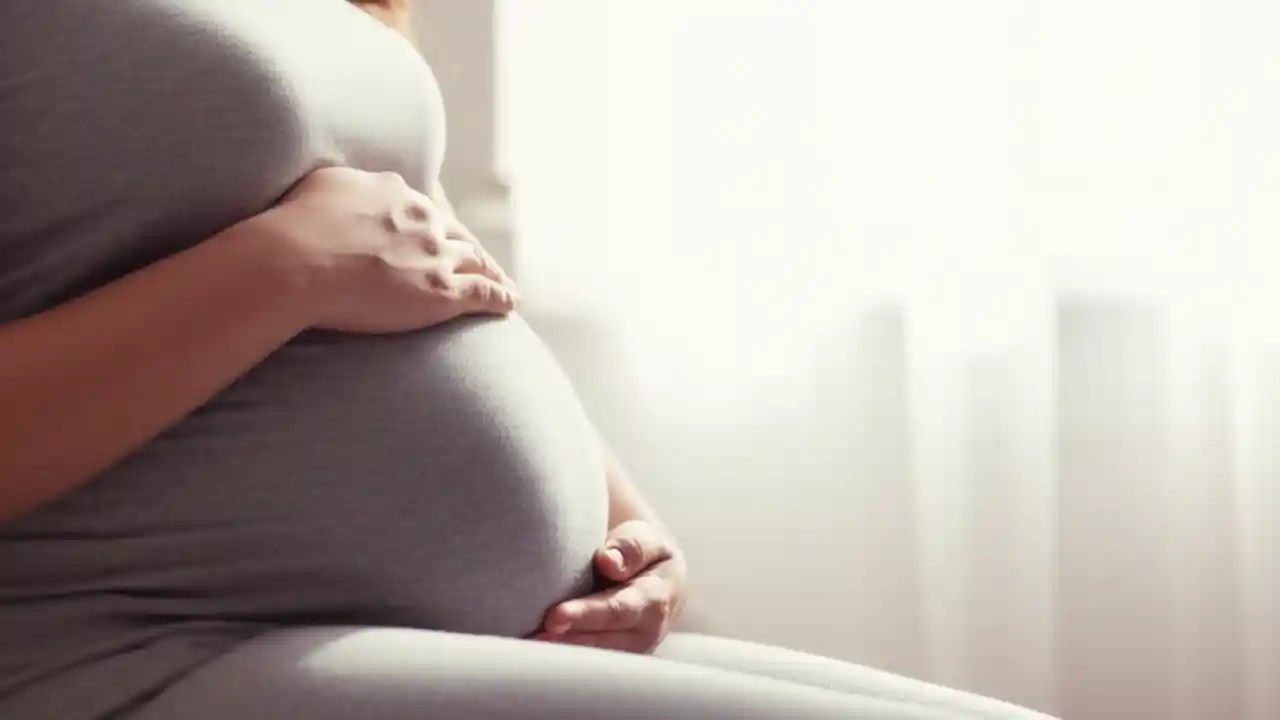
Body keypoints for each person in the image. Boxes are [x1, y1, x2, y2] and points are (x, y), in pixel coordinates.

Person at [0, 1, 1056, 717]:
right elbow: (331, 249)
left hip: (416, 636)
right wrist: (279, 268)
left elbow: (428, 262)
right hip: (127, 656)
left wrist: (632, 528)